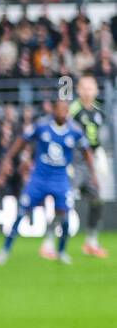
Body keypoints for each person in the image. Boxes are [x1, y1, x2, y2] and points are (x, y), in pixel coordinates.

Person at [0, 98, 95, 265]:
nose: (63, 112)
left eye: (66, 110)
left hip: (60, 179)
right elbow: (22, 139)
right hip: (39, 178)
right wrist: (7, 158)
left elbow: (87, 152)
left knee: (64, 216)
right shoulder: (41, 126)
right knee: (22, 212)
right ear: (53, 110)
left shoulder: (75, 130)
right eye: (60, 109)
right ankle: (5, 249)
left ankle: (61, 252)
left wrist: (93, 174)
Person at [69, 75, 108, 258]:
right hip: (75, 160)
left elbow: (97, 139)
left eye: (91, 87)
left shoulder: (99, 111)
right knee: (65, 199)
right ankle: (49, 242)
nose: (87, 91)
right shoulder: (73, 110)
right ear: (78, 90)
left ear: (96, 90)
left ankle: (91, 243)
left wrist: (100, 156)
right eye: (84, 87)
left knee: (97, 200)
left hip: (90, 163)